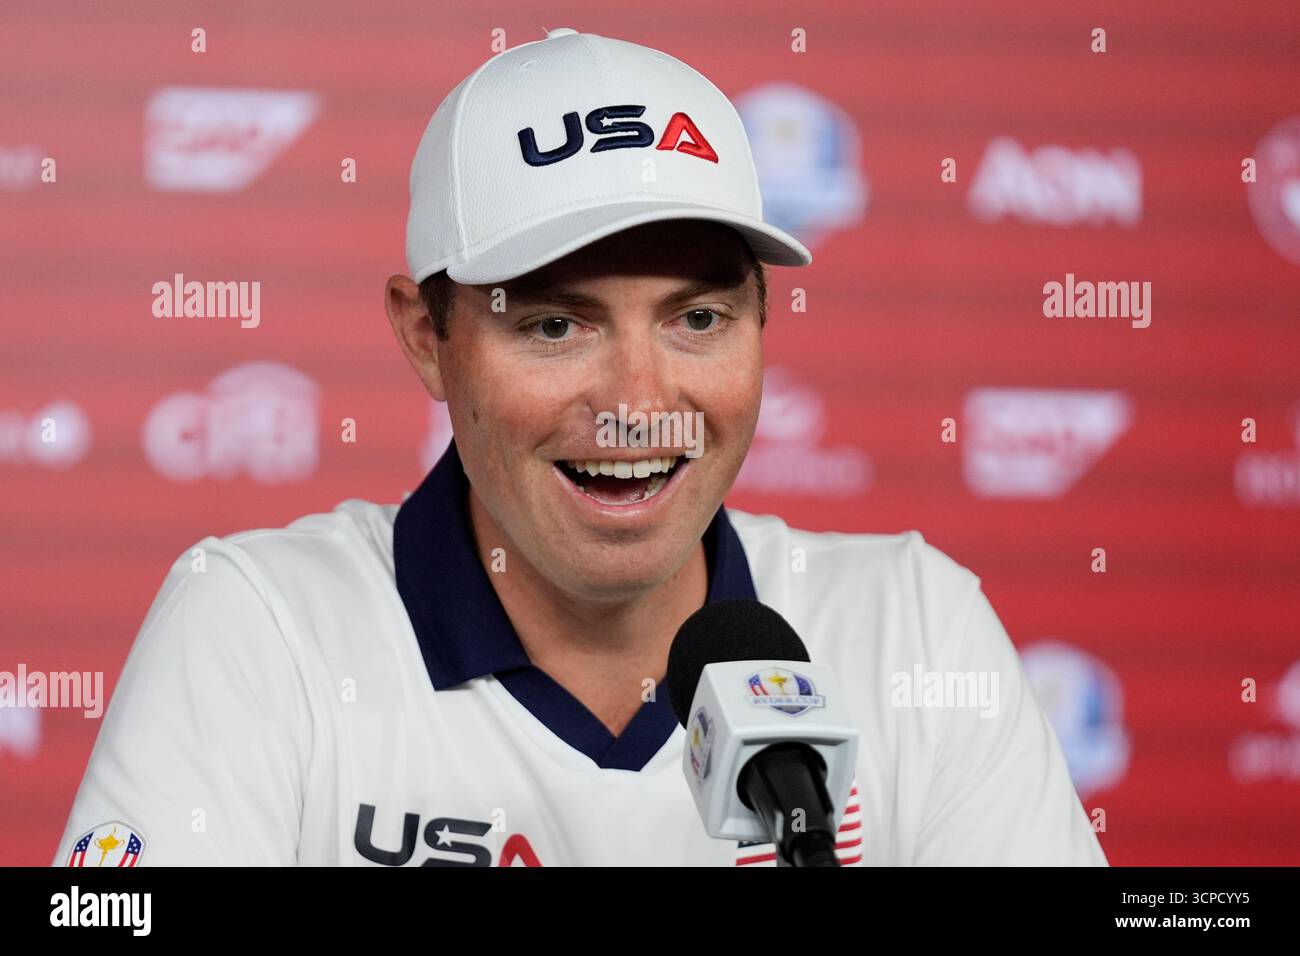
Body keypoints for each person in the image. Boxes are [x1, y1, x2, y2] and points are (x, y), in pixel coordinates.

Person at [54, 26, 1106, 866]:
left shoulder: (916, 626)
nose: (639, 402)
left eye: (697, 319)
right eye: (555, 325)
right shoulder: (260, 628)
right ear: (428, 337)